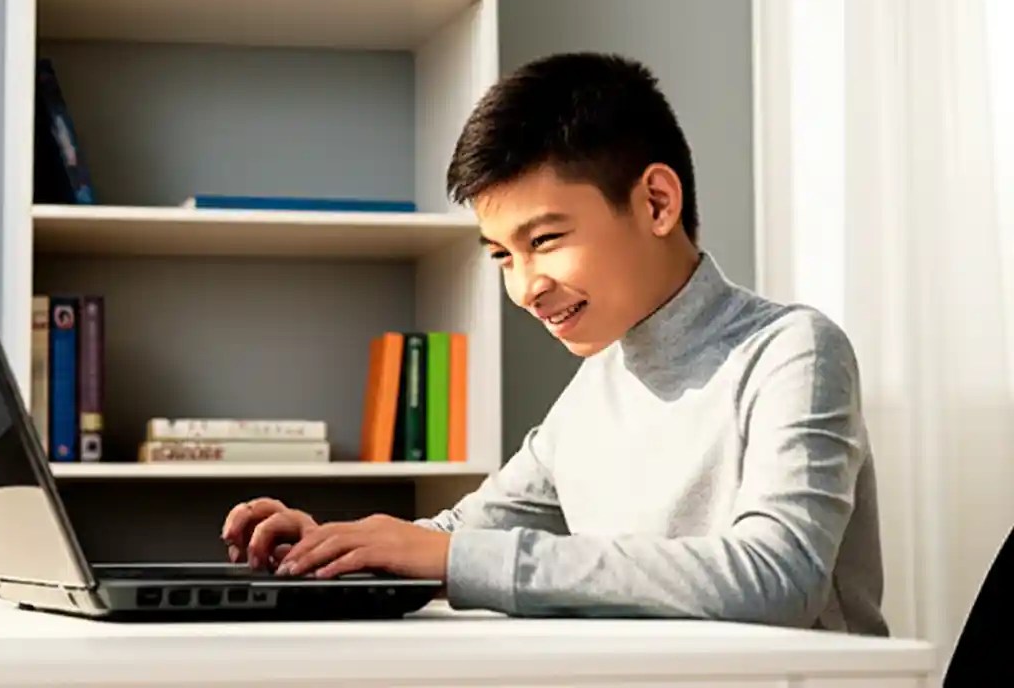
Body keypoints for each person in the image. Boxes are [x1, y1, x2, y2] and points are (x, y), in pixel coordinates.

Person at [220, 51, 888, 636]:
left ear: (657, 202)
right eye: (501, 256)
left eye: (543, 241)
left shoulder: (793, 351)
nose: (524, 288)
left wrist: (449, 560)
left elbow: (778, 576)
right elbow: (463, 535)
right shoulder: (597, 386)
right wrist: (335, 550)